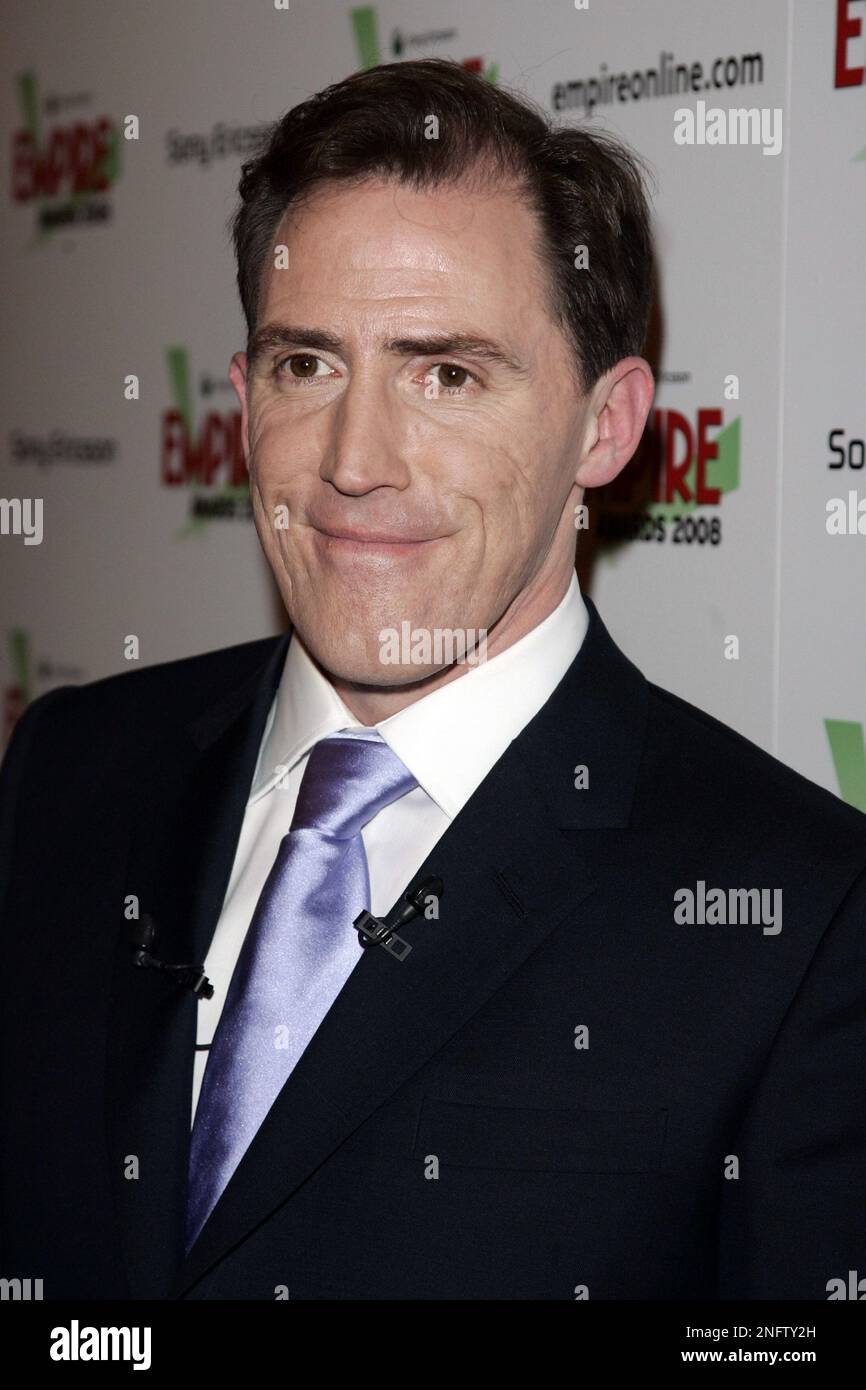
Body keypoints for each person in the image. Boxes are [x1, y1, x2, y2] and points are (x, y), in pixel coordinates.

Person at [1, 59, 864, 1302]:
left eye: (445, 374)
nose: (354, 461)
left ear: (604, 428)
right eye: (307, 366)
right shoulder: (73, 766)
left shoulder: (796, 922)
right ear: (242, 400)